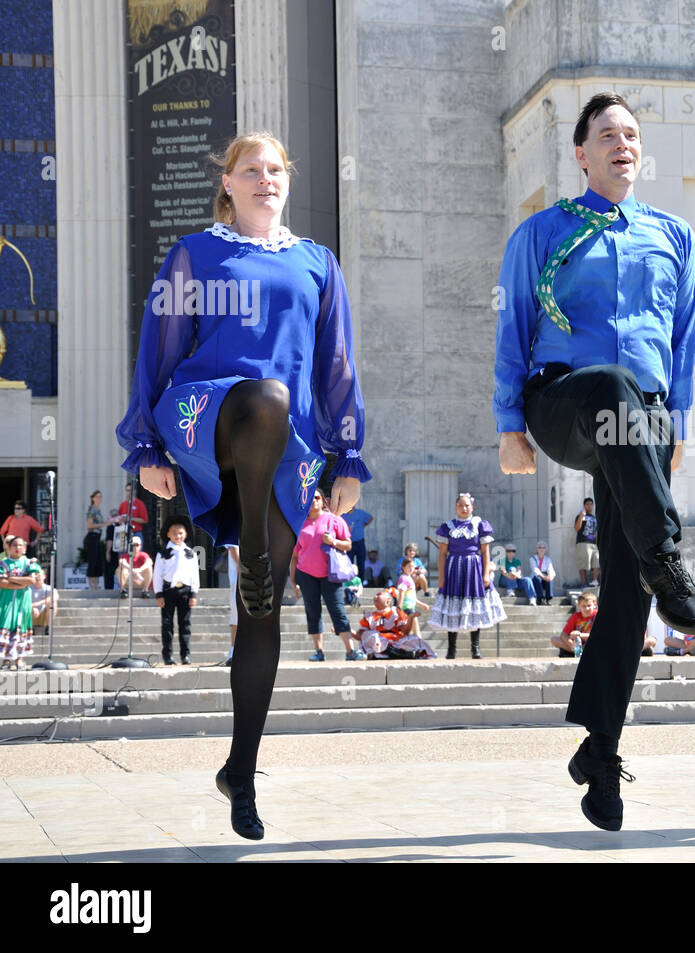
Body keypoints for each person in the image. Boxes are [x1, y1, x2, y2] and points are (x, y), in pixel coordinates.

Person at [117, 132, 369, 840]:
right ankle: (252, 551)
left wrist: (347, 455)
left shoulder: (319, 263)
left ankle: (242, 772)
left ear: (288, 181)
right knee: (264, 399)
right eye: (250, 169)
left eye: (276, 170)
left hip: (288, 452)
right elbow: (158, 344)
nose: (265, 178)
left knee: (263, 619)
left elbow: (337, 363)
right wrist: (143, 443)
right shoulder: (196, 253)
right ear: (226, 183)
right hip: (208, 412)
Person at [494, 91, 695, 831]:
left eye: (633, 134)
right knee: (611, 390)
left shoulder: (676, 237)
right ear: (579, 153)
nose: (624, 143)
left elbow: (683, 340)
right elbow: (515, 327)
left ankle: (601, 755)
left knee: (626, 585)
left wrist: (675, 419)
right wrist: (506, 425)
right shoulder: (542, 232)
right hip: (565, 402)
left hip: (641, 418)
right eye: (608, 134)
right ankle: (668, 553)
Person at [429, 493, 506, 660]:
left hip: (474, 569)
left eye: (467, 506)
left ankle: (475, 648)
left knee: (474, 608)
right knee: (453, 607)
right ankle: (451, 649)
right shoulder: (448, 526)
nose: (464, 509)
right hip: (454, 569)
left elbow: (485, 552)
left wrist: (486, 574)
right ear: (456, 507)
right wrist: (441, 576)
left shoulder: (479, 524)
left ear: (472, 507)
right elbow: (442, 554)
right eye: (460, 505)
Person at [292, 489, 363, 662]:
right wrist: (292, 580)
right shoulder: (300, 523)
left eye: (317, 497)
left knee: (337, 610)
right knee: (312, 612)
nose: (313, 501)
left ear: (323, 501)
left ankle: (350, 651)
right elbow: (294, 556)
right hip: (306, 574)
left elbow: (348, 545)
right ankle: (319, 652)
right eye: (310, 498)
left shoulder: (334, 520)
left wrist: (333, 542)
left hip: (330, 574)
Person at [153, 516, 201, 665]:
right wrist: (159, 593)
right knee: (167, 624)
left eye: (180, 532)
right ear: (168, 534)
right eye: (174, 532)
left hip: (185, 591)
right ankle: (168, 655)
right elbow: (157, 575)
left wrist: (193, 593)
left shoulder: (191, 554)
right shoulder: (163, 554)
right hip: (168, 591)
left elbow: (194, 574)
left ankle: (185, 655)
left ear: (185, 534)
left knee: (185, 624)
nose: (177, 535)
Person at [357, 589, 433, 659]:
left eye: (379, 594)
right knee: (367, 634)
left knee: (415, 639)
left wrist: (410, 618)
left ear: (388, 601)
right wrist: (347, 630)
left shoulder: (396, 612)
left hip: (396, 641)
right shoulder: (369, 616)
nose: (375, 596)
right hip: (378, 641)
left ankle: (393, 652)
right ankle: (396, 653)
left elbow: (405, 631)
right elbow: (360, 635)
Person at [0, 535, 39, 669]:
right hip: (7, 600)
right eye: (15, 545)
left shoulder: (29, 563)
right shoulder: (4, 563)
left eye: (20, 545)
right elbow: (2, 582)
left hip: (23, 601)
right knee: (7, 624)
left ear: (25, 548)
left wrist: (11, 578)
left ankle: (19, 660)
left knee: (21, 625)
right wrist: (19, 584)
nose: (18, 548)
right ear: (9, 548)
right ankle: (6, 660)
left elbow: (32, 580)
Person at [553, 589, 598, 657]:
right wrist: (571, 644)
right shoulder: (575, 616)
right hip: (577, 644)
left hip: (592, 643)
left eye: (589, 605)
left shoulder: (597, 615)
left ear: (594, 605)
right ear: (579, 606)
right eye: (583, 606)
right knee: (554, 639)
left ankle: (580, 652)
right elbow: (563, 634)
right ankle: (578, 651)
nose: (586, 608)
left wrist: (580, 635)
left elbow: (599, 635)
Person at [83, 491, 110, 589]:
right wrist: (104, 524)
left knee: (98, 560)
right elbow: (89, 525)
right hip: (92, 537)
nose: (99, 499)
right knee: (92, 560)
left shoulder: (98, 509)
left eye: (100, 497)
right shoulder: (92, 509)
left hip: (97, 537)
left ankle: (96, 584)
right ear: (93, 498)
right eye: (97, 497)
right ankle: (91, 584)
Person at [574, 497, 600, 585]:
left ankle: (594, 581)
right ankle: (584, 583)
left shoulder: (595, 517)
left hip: (594, 543)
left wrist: (598, 543)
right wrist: (581, 516)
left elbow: (596, 531)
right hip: (583, 542)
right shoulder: (580, 516)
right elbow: (577, 528)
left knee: (597, 562)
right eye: (587, 504)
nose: (589, 506)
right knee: (583, 564)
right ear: (584, 505)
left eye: (591, 504)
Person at [30, 567, 58, 636]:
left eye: (39, 575)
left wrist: (39, 603)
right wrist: (33, 608)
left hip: (44, 616)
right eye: (35, 576)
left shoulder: (48, 588)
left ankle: (48, 627)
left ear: (44, 576)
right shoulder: (27, 588)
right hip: (30, 615)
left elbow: (55, 597)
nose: (37, 578)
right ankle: (30, 628)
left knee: (53, 603)